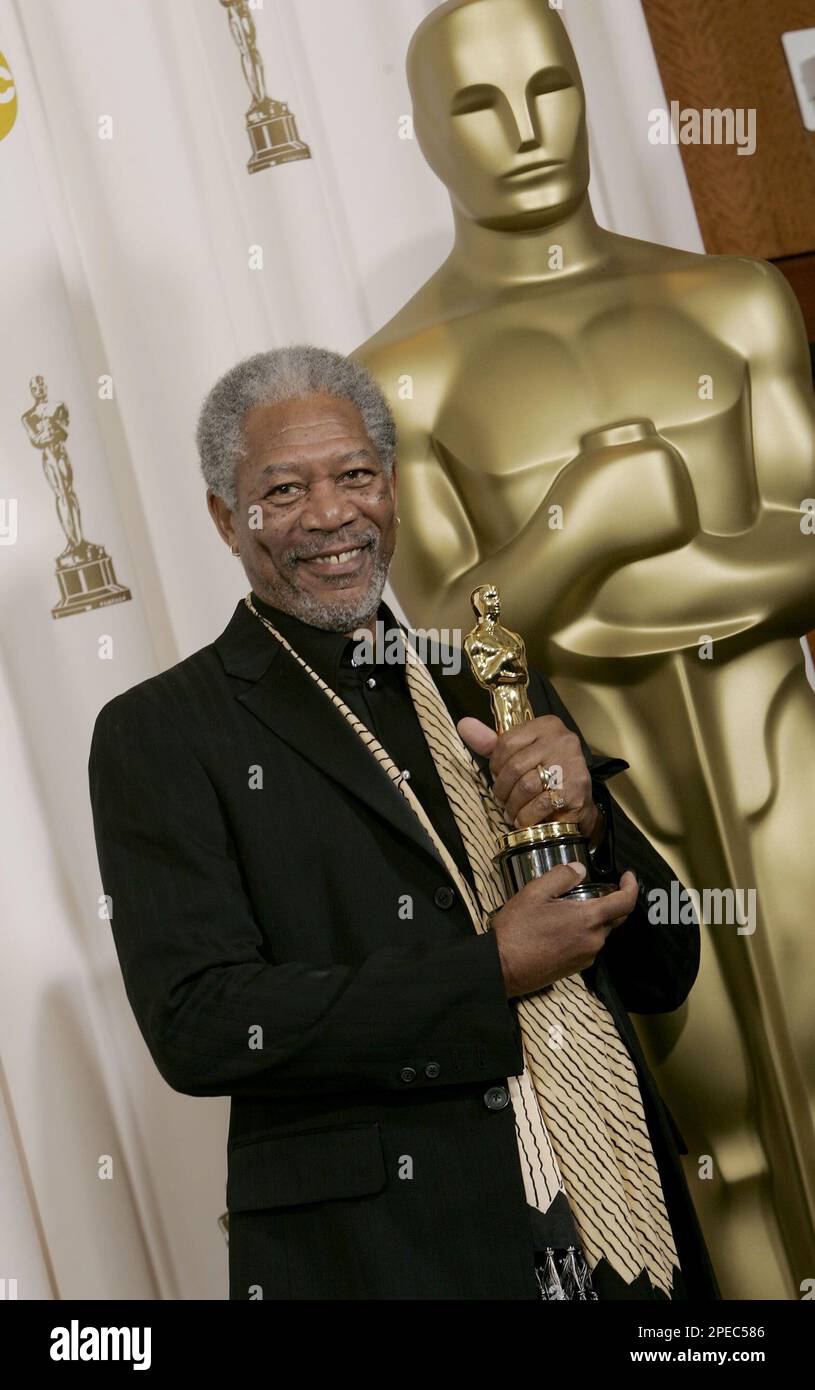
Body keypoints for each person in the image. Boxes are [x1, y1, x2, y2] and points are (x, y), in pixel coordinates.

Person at [88, 345, 719, 1301]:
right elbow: (203, 1024)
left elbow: (663, 969)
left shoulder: (488, 673)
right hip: (393, 1259)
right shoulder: (164, 732)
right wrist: (487, 971)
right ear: (227, 518)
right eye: (285, 490)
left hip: (628, 1231)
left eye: (354, 476)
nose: (331, 514)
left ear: (392, 487)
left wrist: (588, 824)